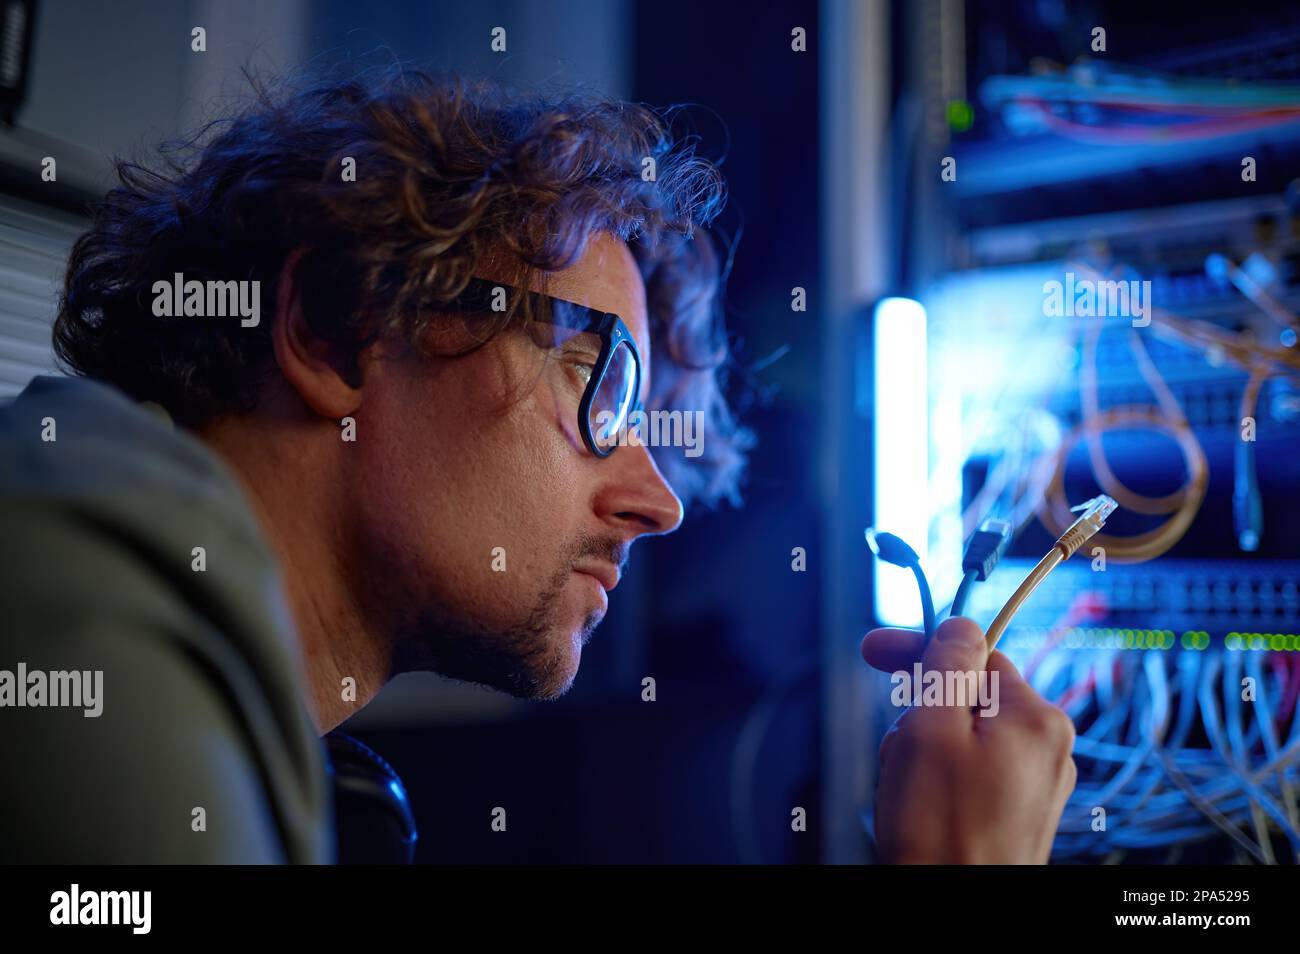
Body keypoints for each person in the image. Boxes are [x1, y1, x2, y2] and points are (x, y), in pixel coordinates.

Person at [0, 67, 1074, 864]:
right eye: (601, 388)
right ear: (336, 329)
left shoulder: (260, 737)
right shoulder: (81, 566)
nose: (657, 505)